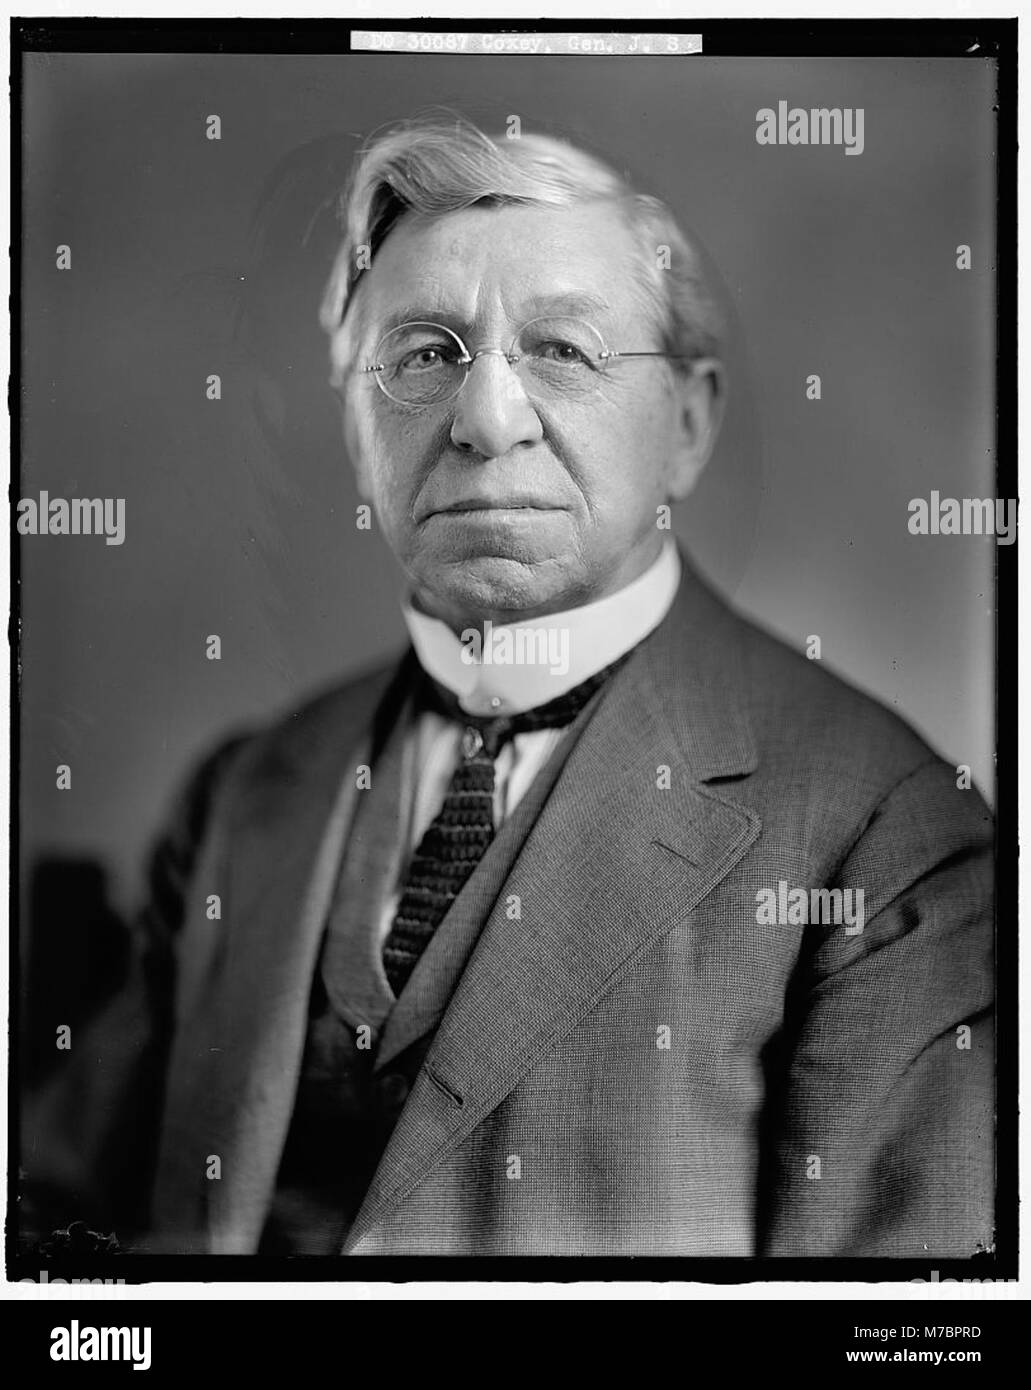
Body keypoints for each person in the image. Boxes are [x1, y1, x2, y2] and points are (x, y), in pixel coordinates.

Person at [26, 114, 994, 1258]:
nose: (485, 419)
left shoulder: (890, 838)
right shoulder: (242, 794)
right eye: (424, 353)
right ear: (353, 423)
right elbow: (57, 1229)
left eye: (563, 351)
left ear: (685, 422)